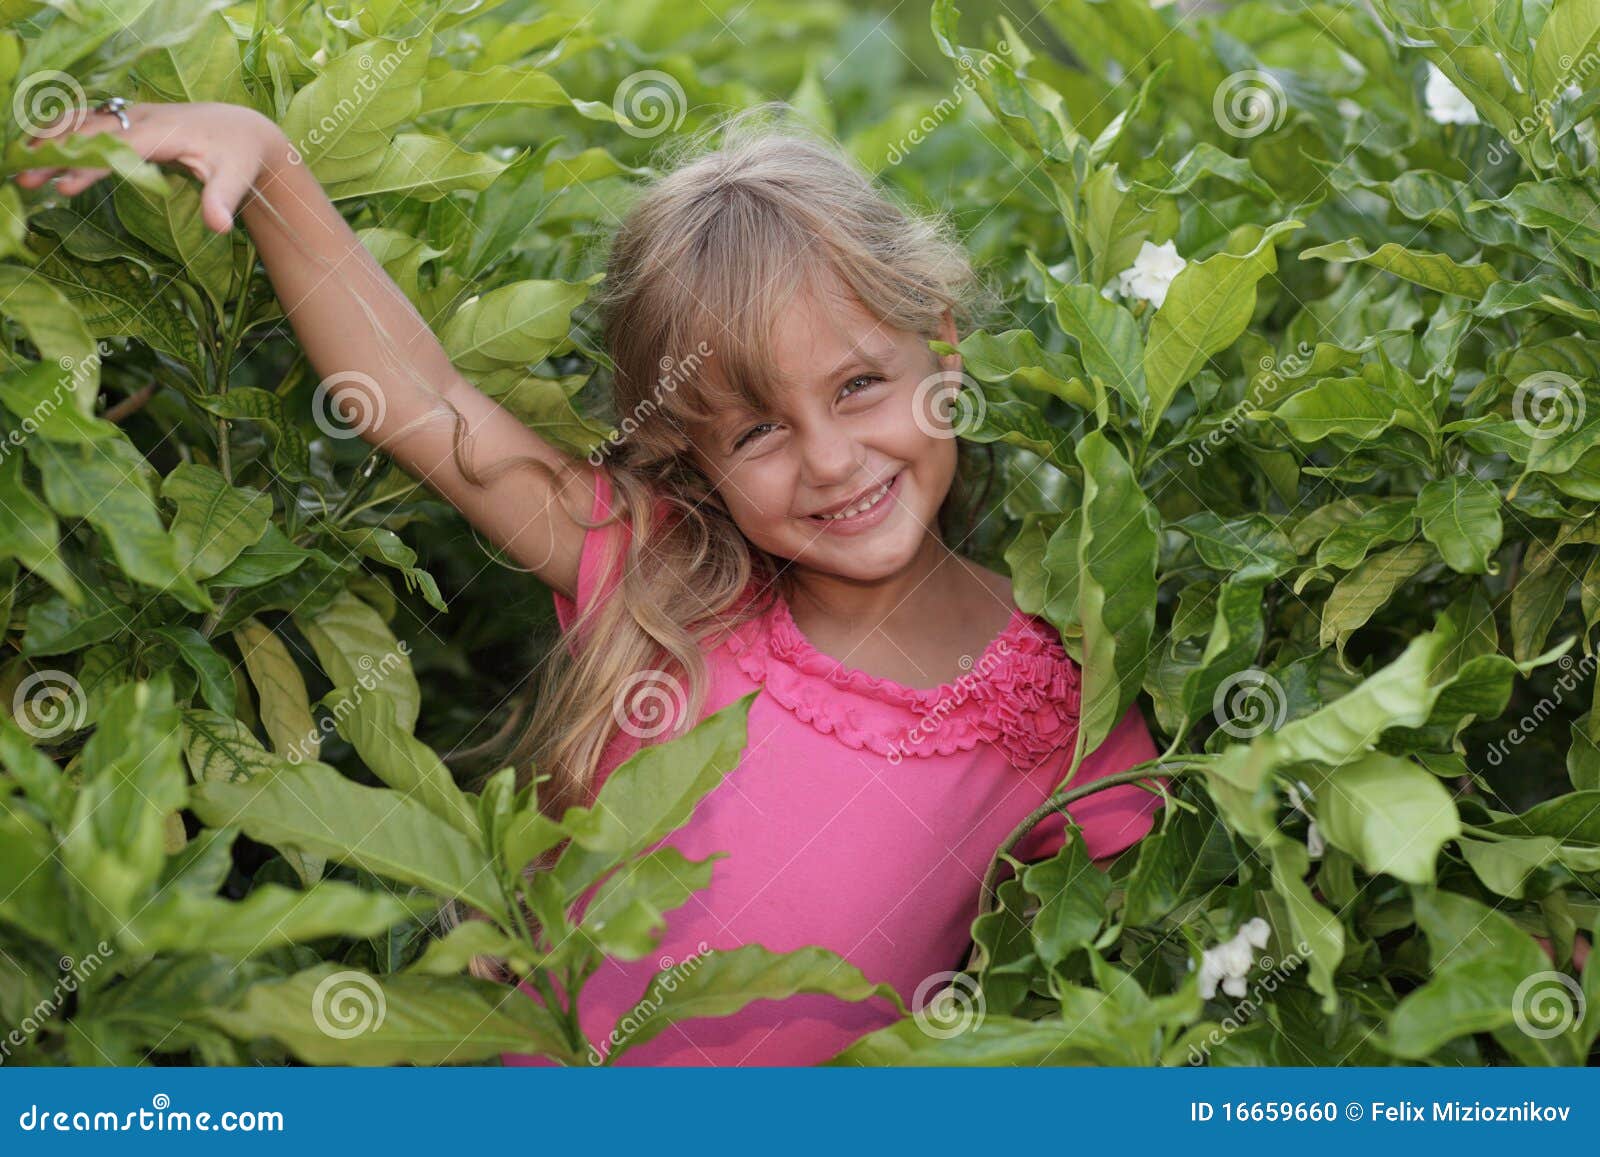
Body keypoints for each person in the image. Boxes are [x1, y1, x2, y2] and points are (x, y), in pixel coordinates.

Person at [12, 100, 1166, 1065]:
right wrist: (267, 163)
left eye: (859, 384)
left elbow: (1121, 986)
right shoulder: (667, 576)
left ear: (943, 344)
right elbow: (424, 402)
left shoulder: (1067, 708)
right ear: (694, 456)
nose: (830, 458)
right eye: (759, 428)